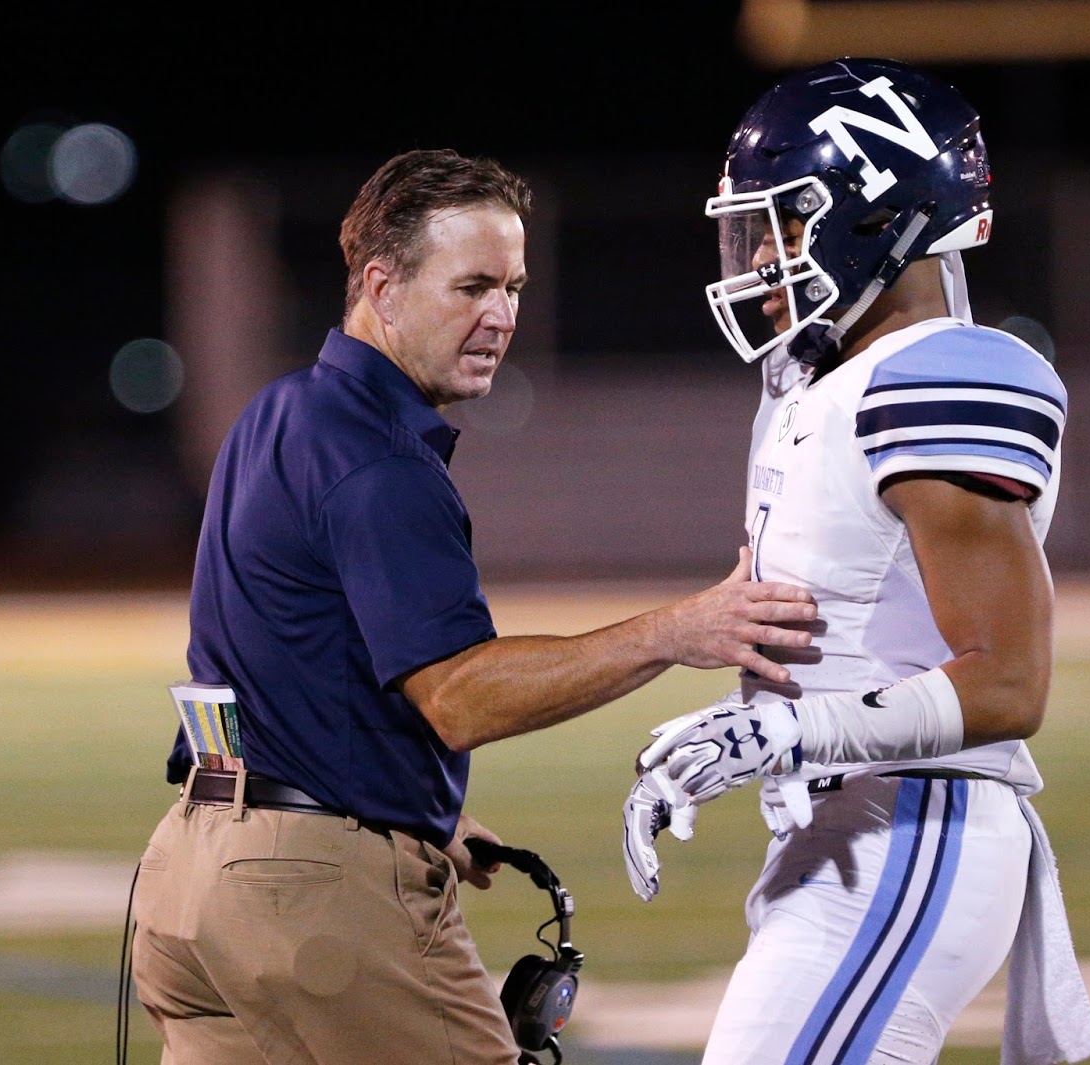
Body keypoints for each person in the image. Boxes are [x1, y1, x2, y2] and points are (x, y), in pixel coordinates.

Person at [130, 147, 820, 1065]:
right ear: (383, 287)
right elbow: (461, 698)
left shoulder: (278, 413)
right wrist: (674, 631)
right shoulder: (379, 462)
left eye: (513, 287)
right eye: (473, 287)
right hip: (309, 898)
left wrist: (411, 810)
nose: (502, 315)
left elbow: (287, 656)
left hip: (191, 874)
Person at [622, 59, 1090, 1065]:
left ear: (877, 216)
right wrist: (738, 723)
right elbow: (845, 631)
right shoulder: (815, 384)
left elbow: (1009, 683)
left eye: (784, 224)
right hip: (847, 834)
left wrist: (789, 731)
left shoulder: (940, 373)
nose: (760, 259)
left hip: (914, 825)